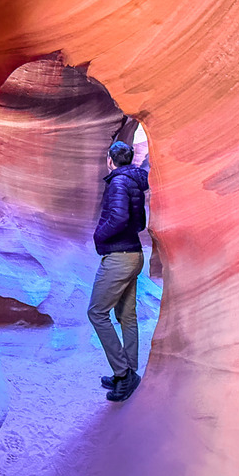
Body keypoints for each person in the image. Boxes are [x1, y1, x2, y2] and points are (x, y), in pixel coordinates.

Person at [88, 140, 149, 402]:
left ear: (110, 159)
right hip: (133, 252)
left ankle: (123, 374)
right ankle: (129, 370)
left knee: (97, 312)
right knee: (126, 315)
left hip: (120, 256)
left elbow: (119, 218)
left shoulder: (118, 182)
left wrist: (99, 236)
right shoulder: (134, 181)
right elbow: (140, 221)